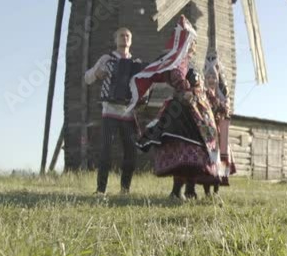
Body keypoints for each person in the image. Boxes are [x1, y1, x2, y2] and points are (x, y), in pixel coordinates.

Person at [130, 16, 220, 199]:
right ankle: (177, 191)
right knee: (183, 150)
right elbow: (178, 78)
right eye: (192, 42)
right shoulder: (177, 61)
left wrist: (212, 99)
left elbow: (201, 87)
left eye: (195, 43)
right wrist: (186, 90)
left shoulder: (191, 63)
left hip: (199, 113)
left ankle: (190, 189)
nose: (194, 46)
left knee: (196, 152)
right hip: (183, 112)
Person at [83, 27, 146, 195]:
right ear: (115, 39)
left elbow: (143, 86)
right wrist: (97, 73)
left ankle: (125, 190)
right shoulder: (106, 59)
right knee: (106, 150)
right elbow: (87, 78)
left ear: (131, 41)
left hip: (128, 112)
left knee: (130, 152)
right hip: (110, 111)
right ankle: (101, 190)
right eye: (121, 36)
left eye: (127, 36)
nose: (124, 38)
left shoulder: (136, 64)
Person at [185, 54, 235, 197]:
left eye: (214, 77)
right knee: (208, 161)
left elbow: (226, 110)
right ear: (205, 79)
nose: (211, 80)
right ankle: (207, 191)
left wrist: (224, 107)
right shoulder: (203, 93)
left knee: (220, 160)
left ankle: (216, 190)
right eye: (208, 78)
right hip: (207, 131)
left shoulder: (221, 95)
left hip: (219, 131)